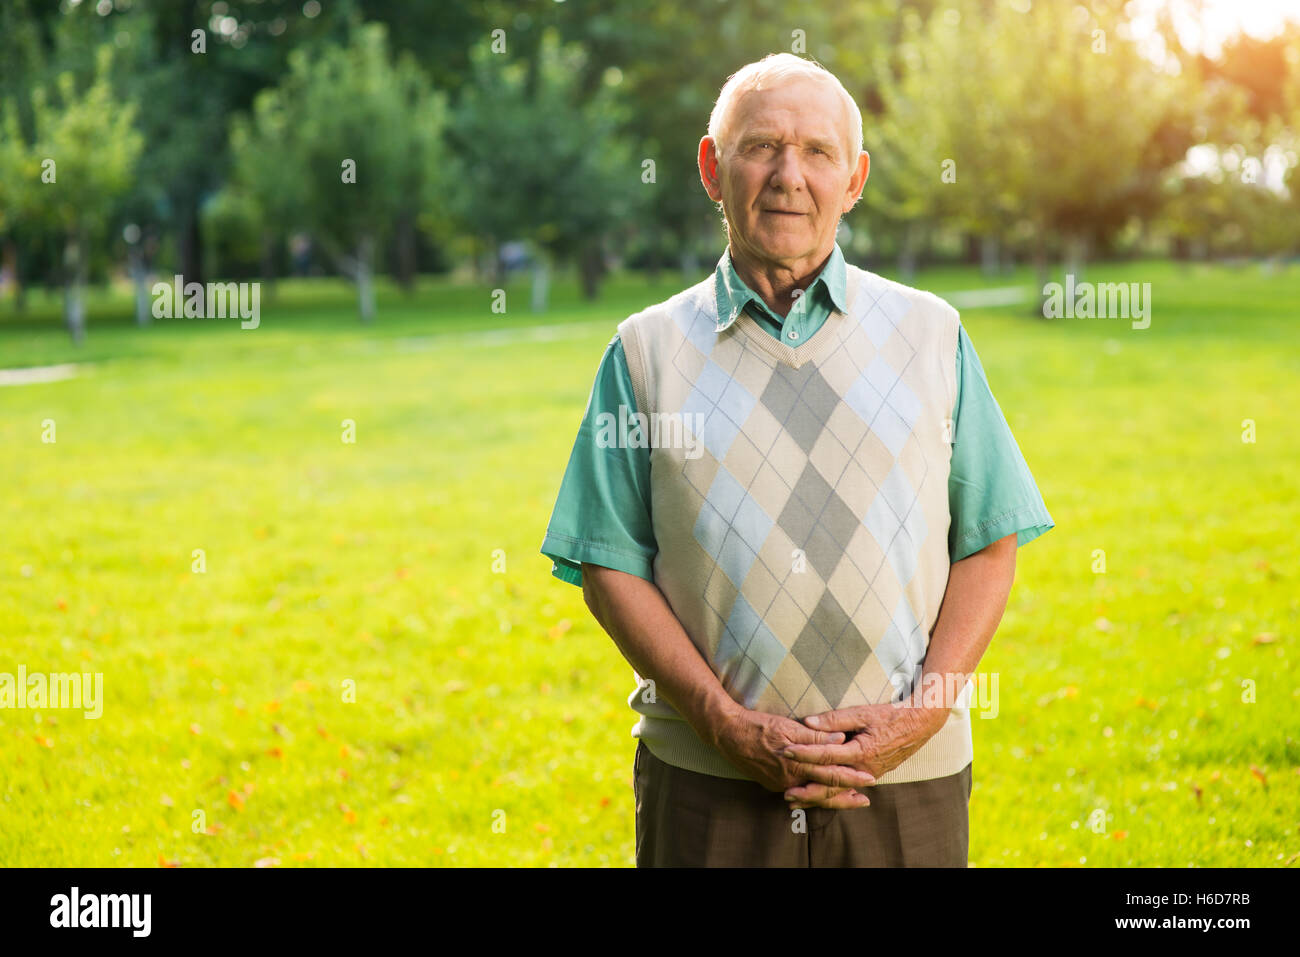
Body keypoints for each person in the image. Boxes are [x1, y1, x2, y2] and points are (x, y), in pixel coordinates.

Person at [540, 53, 1054, 867]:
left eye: (818, 152)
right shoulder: (644, 351)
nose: (789, 175)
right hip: (709, 781)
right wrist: (724, 723)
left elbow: (989, 541)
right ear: (713, 168)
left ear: (854, 179)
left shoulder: (935, 335)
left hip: (906, 782)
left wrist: (921, 714)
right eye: (761, 146)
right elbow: (608, 564)